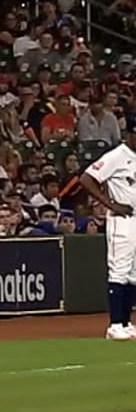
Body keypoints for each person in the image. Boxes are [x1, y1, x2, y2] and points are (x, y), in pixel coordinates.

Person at [78, 119, 136, 340]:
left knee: (133, 273)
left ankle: (126, 322)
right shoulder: (116, 156)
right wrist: (110, 204)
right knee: (119, 270)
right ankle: (115, 324)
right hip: (123, 220)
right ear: (129, 134)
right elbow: (86, 178)